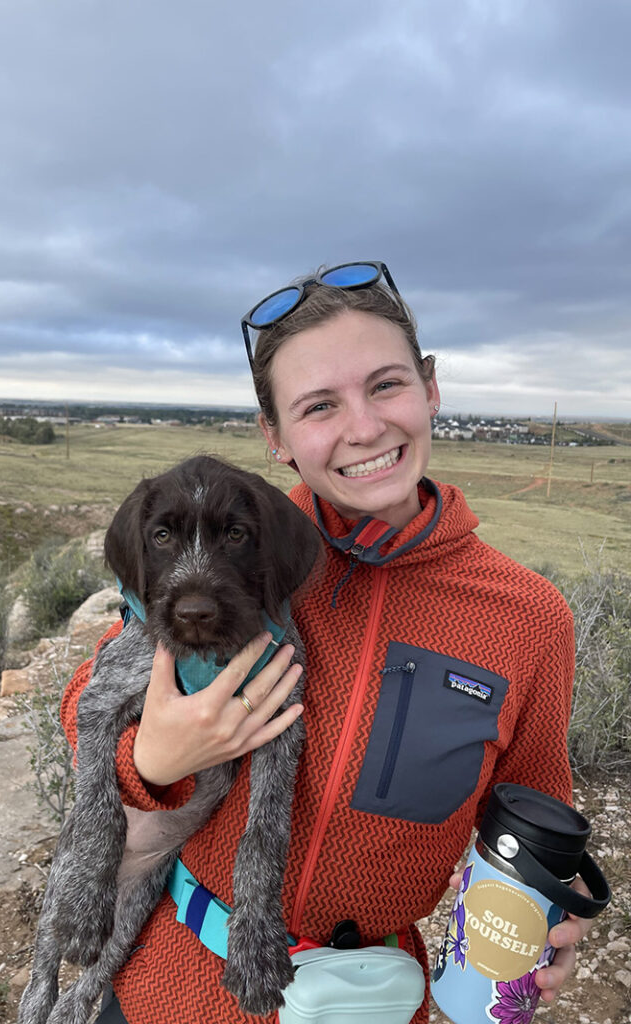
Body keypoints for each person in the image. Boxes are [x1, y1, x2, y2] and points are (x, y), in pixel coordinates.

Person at [60, 261, 590, 1024]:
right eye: (318, 406)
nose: (365, 428)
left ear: (430, 387)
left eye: (386, 385)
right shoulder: (248, 549)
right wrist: (152, 763)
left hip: (363, 998)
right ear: (274, 437)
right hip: (166, 980)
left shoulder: (529, 616)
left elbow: (532, 808)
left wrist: (549, 906)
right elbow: (90, 695)